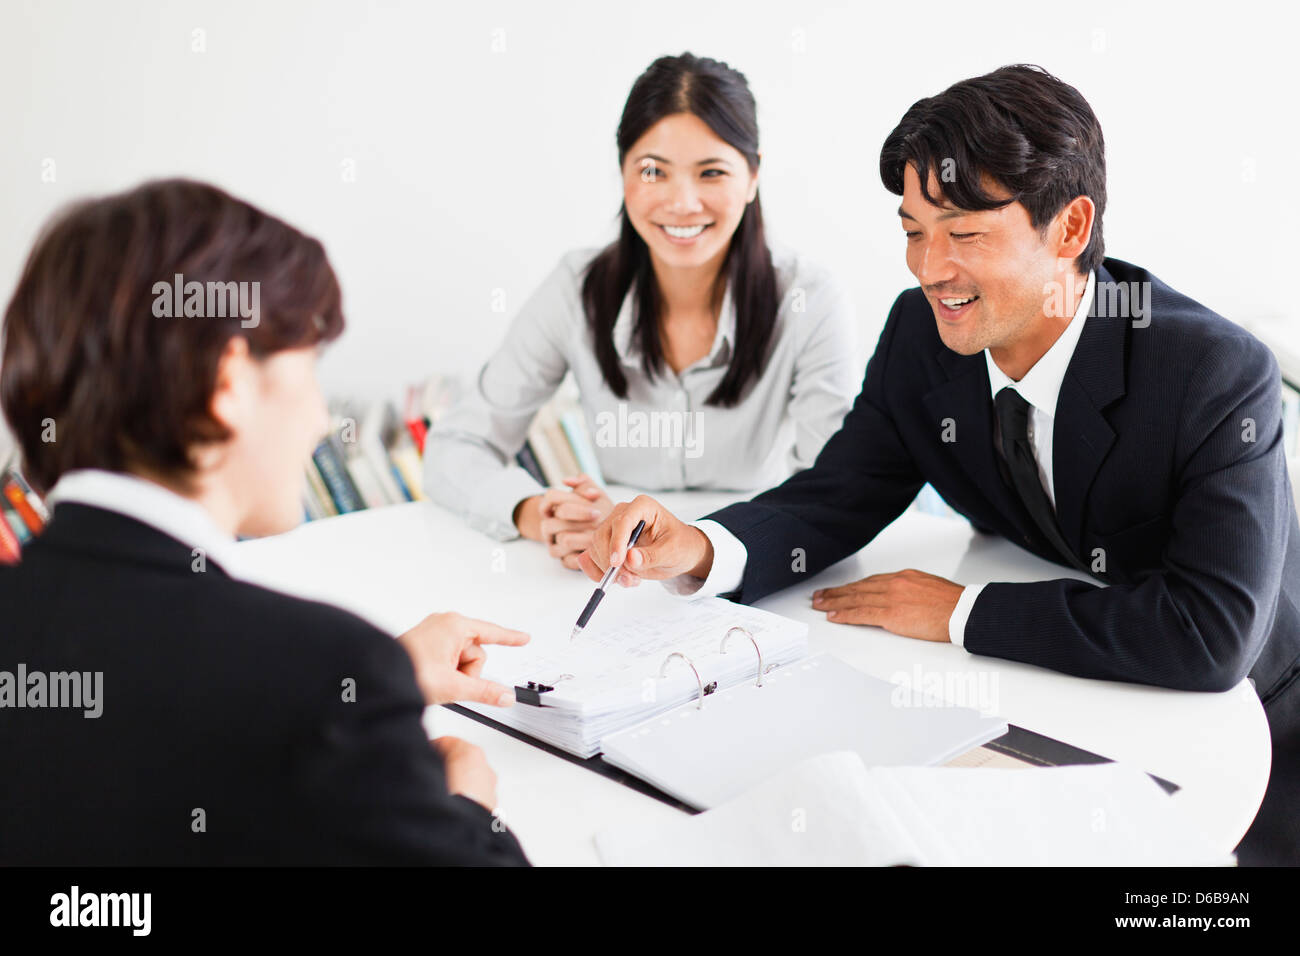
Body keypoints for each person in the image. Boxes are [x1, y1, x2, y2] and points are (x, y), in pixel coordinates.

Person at [578, 65, 1300, 867]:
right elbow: (842, 490)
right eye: (914, 231)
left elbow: (1211, 633)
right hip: (1071, 703)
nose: (928, 268)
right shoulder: (922, 335)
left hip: (1253, 731)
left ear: (1069, 228)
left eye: (963, 233)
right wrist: (700, 546)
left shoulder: (1212, 372)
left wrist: (961, 612)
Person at [0, 179, 530, 865]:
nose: (318, 417)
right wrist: (466, 810)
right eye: (309, 368)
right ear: (230, 385)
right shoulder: (330, 672)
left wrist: (366, 689)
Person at [423, 52, 858, 569]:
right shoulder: (575, 289)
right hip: (612, 574)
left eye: (711, 171)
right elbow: (457, 445)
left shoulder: (809, 299)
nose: (682, 202)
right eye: (654, 171)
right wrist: (535, 512)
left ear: (753, 176)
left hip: (754, 566)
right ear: (623, 172)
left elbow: (834, 494)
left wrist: (697, 548)